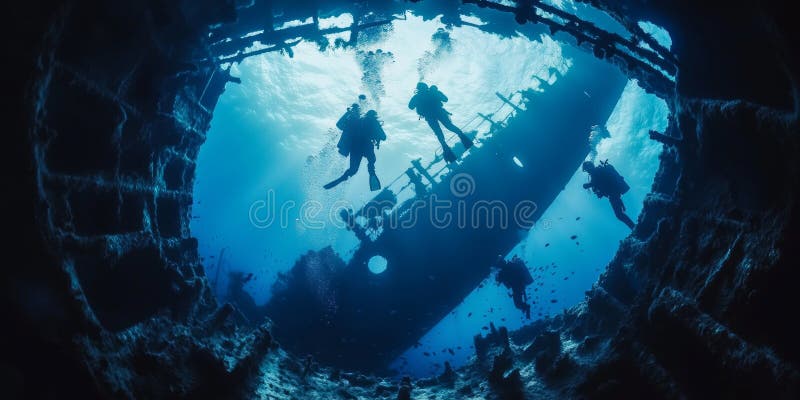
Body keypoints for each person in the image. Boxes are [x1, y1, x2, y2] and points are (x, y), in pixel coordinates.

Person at [408, 82, 473, 163]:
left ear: (417, 89)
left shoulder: (417, 97)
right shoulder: (430, 92)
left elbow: (410, 106)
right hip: (438, 112)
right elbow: (445, 99)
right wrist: (436, 92)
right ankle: (463, 138)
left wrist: (419, 99)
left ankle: (447, 148)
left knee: (439, 132)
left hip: (430, 116)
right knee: (449, 126)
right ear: (426, 87)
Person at [324, 105, 385, 191]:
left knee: (353, 169)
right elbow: (383, 137)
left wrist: (348, 113)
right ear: (375, 116)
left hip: (354, 147)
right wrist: (377, 130)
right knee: (372, 159)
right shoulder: (374, 121)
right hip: (366, 146)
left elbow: (339, 125)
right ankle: (371, 170)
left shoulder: (358, 120)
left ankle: (344, 177)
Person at [582, 160, 635, 229]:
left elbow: (599, 181)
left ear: (590, 167)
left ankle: (634, 227)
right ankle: (634, 227)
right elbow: (599, 185)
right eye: (586, 170)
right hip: (613, 193)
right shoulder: (595, 173)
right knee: (620, 214)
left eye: (587, 169)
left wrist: (588, 185)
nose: (587, 171)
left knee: (619, 215)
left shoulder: (597, 171)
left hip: (613, 192)